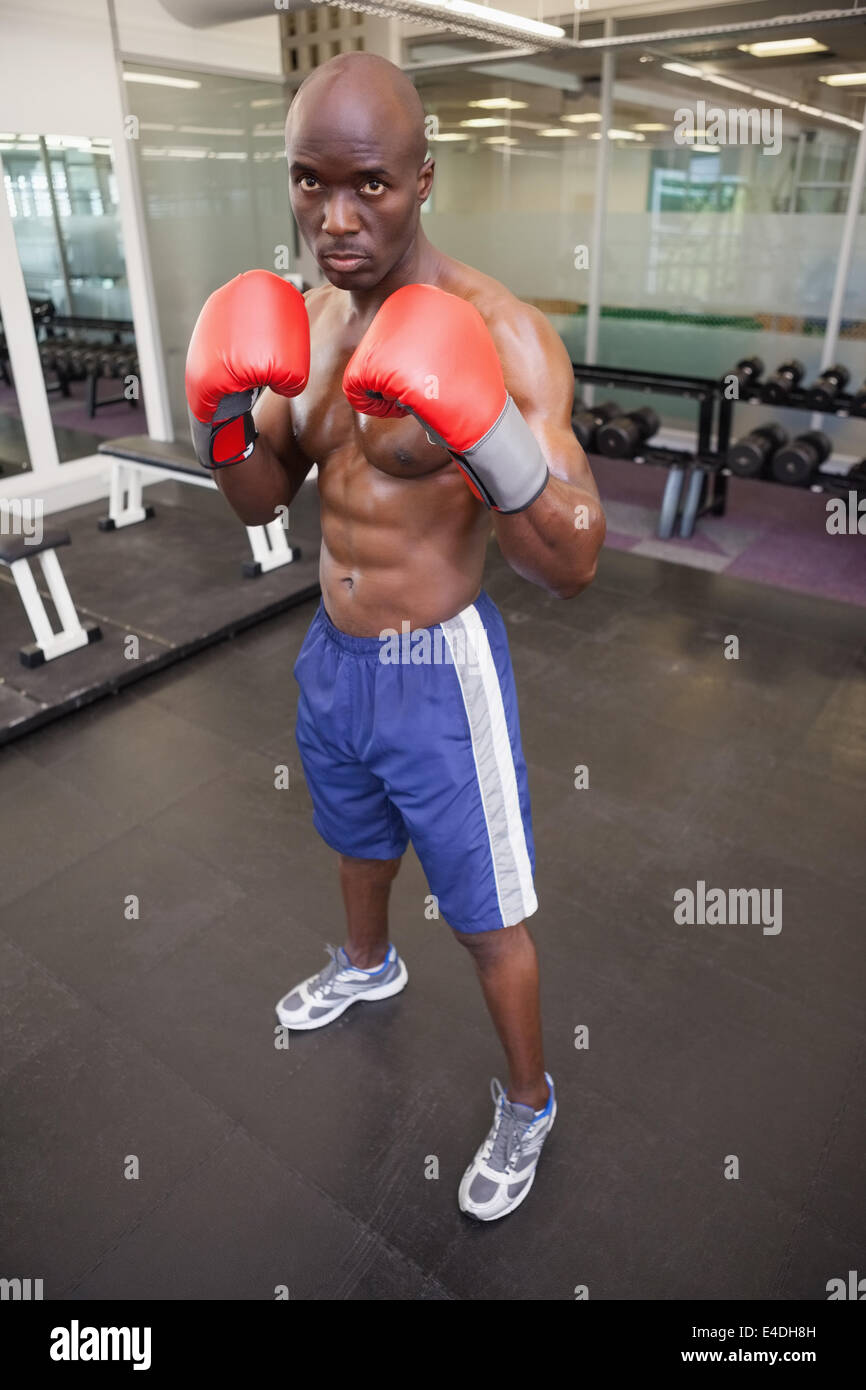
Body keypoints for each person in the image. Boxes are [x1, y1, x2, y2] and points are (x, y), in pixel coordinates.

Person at [185, 51, 605, 1222]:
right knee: (353, 838)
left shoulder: (503, 335)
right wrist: (220, 417)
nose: (335, 216)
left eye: (366, 183)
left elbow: (571, 560)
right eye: (309, 184)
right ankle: (367, 964)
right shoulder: (307, 327)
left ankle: (527, 1099)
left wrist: (485, 435)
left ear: (423, 178)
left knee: (483, 912)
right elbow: (262, 501)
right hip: (333, 652)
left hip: (438, 667)